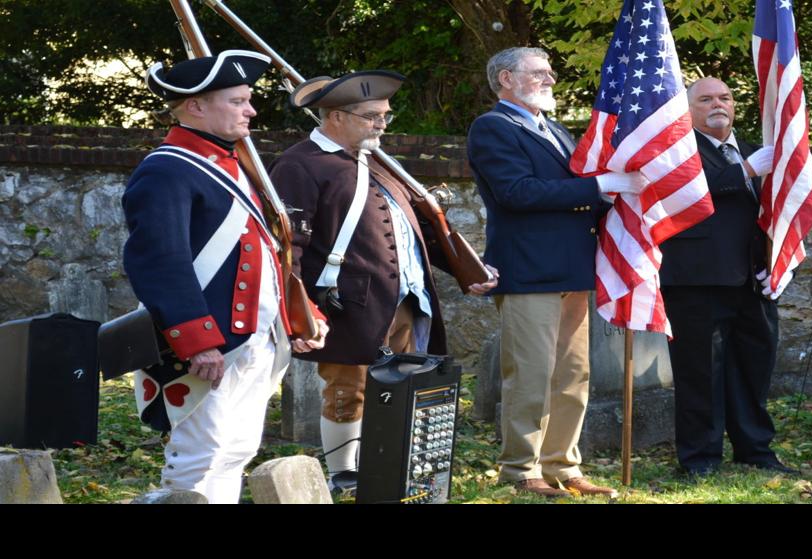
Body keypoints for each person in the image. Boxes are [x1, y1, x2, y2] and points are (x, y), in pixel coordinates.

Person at [271, 70, 498, 490]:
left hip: (407, 298)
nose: (382, 125)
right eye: (372, 116)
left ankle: (392, 463)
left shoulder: (377, 161)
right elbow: (289, 248)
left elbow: (417, 230)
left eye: (385, 116)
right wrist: (297, 310)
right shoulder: (299, 165)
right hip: (346, 301)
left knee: (404, 383)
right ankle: (345, 473)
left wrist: (470, 270)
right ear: (336, 117)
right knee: (347, 388)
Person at [122, 49, 328, 504]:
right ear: (195, 106)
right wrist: (196, 338)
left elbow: (267, 253)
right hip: (210, 339)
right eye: (238, 101)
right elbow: (160, 260)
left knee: (237, 449)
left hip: (254, 336)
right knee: (198, 451)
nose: (251, 110)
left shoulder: (229, 164)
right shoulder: (167, 169)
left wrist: (298, 314)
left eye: (248, 99)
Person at [466, 46, 643, 498]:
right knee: (529, 373)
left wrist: (606, 193)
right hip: (528, 269)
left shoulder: (557, 130)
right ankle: (521, 470)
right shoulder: (493, 127)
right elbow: (517, 192)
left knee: (573, 374)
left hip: (571, 268)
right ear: (506, 79)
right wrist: (597, 187)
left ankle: (562, 464)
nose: (550, 80)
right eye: (539, 73)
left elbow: (572, 189)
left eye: (549, 72)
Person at [656, 77, 796, 477]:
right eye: (706, 99)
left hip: (754, 281)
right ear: (688, 110)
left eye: (725, 97)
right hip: (696, 280)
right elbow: (684, 191)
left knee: (754, 369)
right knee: (699, 372)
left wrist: (781, 262)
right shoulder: (676, 152)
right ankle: (699, 458)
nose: (718, 104)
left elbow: (785, 213)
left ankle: (755, 450)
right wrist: (746, 170)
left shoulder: (755, 149)